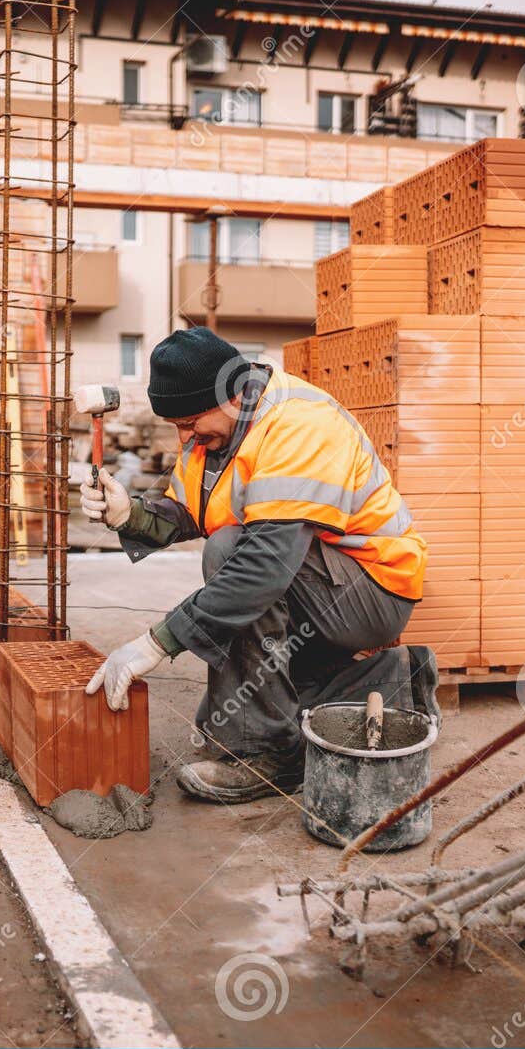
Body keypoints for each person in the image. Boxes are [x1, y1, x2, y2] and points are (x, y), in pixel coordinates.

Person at [81, 327, 435, 803]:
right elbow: (192, 511)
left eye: (190, 422)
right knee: (224, 712)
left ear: (232, 397)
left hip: (371, 589)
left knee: (230, 551)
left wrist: (158, 642)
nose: (184, 437)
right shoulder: (216, 433)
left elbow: (264, 566)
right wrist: (133, 514)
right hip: (320, 586)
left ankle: (273, 756)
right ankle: (392, 678)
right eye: (177, 425)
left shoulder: (299, 423)